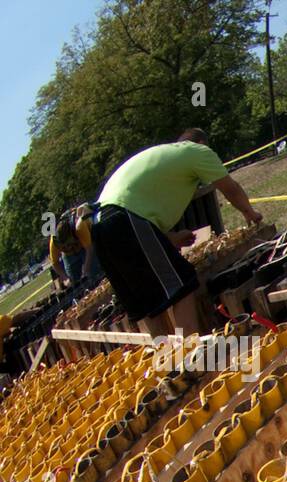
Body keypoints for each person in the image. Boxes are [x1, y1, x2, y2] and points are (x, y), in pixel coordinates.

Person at [90, 128, 263, 336]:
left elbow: (138, 229)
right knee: (182, 285)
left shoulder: (163, 156)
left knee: (148, 303)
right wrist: (250, 213)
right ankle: (191, 354)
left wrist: (170, 239)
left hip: (99, 226)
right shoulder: (197, 151)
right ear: (200, 142)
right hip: (124, 217)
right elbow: (230, 187)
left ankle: (170, 361)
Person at [48, 207, 100, 291]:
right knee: (73, 282)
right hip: (68, 255)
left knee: (94, 271)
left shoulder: (79, 227)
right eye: (64, 246)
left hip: (85, 247)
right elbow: (55, 263)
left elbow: (90, 249)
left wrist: (86, 270)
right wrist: (65, 278)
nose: (68, 247)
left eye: (69, 244)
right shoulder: (54, 243)